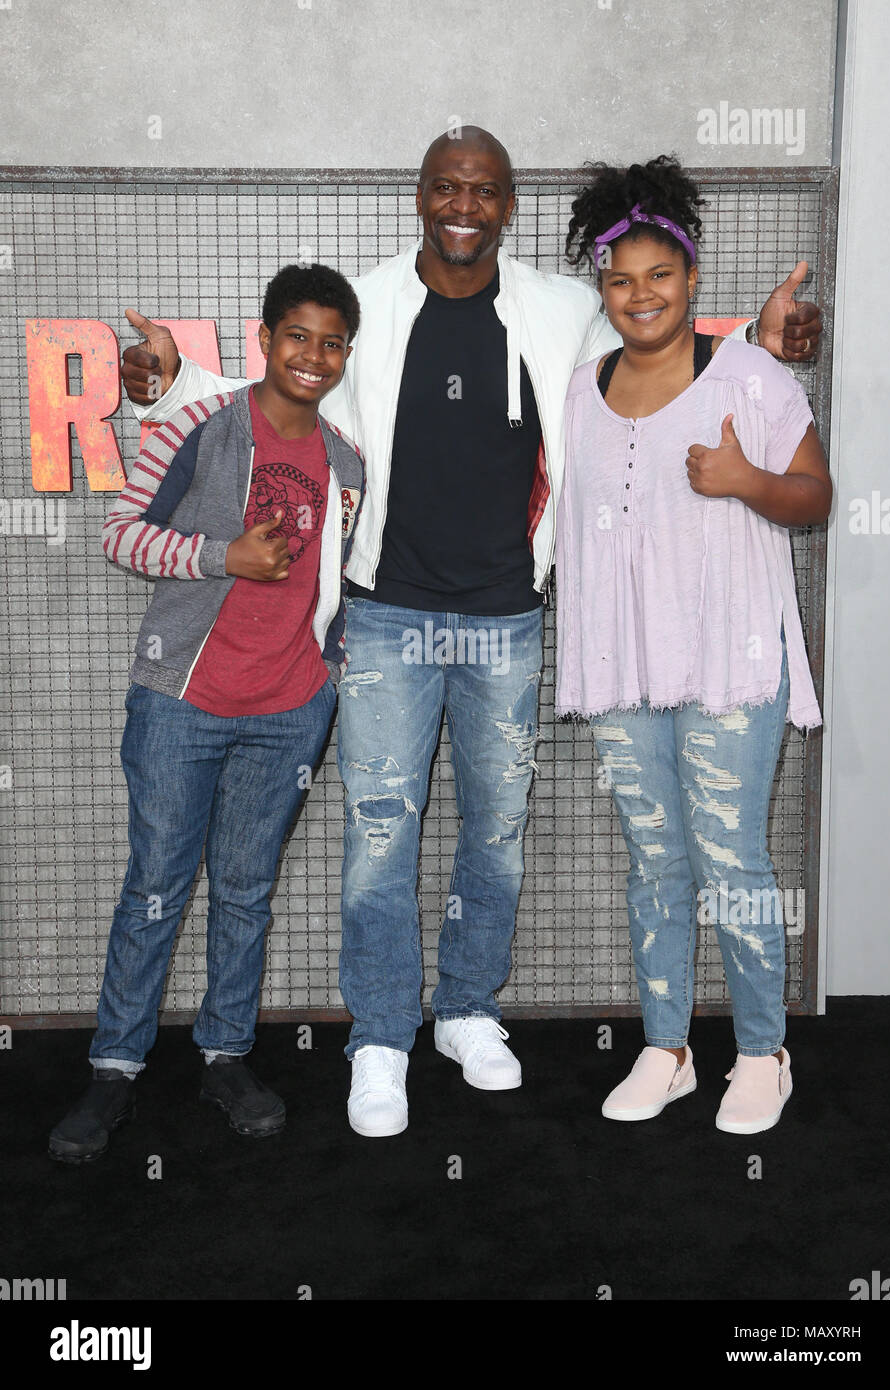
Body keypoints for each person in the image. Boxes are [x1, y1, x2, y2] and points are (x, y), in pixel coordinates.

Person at [118, 128, 823, 1138]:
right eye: (446, 187)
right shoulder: (365, 304)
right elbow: (278, 397)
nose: (463, 204)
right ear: (418, 197)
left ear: (506, 205)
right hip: (388, 611)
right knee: (379, 830)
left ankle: (466, 1010)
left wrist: (758, 340)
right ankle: (376, 1036)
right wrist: (169, 380)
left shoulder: (560, 307)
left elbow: (666, 348)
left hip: (506, 616)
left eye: (483, 190)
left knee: (495, 830)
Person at [48, 265, 364, 1162]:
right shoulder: (198, 422)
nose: (313, 355)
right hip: (181, 699)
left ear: (346, 353)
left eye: (331, 340)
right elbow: (121, 535)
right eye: (297, 335)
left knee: (245, 891)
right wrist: (220, 556)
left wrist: (328, 675)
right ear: (265, 339)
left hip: (291, 708)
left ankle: (226, 1055)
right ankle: (114, 1068)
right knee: (154, 887)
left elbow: (341, 584)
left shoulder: (346, 461)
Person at [556, 156, 832, 1133]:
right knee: (653, 859)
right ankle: (664, 1046)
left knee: (731, 859)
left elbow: (814, 496)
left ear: (690, 277)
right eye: (619, 278)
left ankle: (760, 1051)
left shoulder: (748, 374)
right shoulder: (580, 391)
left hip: (728, 662)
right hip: (627, 668)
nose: (640, 295)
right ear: (601, 287)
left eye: (658, 275)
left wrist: (742, 481)